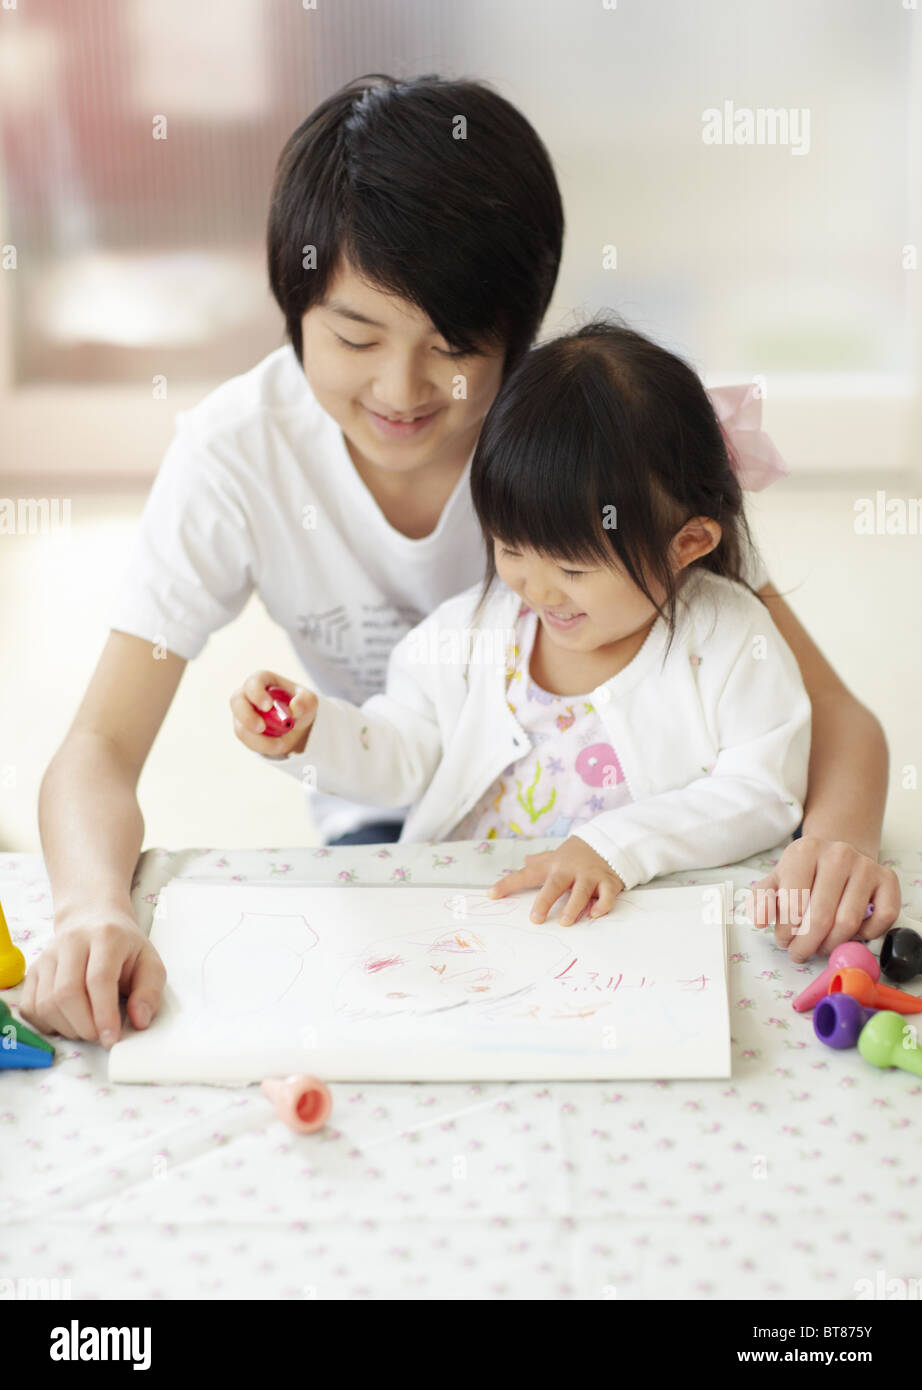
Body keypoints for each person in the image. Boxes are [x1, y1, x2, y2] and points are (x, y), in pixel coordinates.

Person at [23, 76, 898, 1051]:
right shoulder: (235, 455)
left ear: (514, 336)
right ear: (292, 306)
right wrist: (93, 911)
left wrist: (835, 843)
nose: (399, 390)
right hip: (409, 818)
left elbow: (833, 721)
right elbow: (97, 750)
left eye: (450, 349)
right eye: (354, 336)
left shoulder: (586, 433)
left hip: (654, 816)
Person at [233, 317, 814, 930]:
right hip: (470, 924)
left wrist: (616, 846)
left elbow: (763, 792)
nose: (535, 590)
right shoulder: (469, 635)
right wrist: (314, 736)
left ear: (686, 543)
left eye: (571, 566)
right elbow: (403, 756)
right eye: (510, 548)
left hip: (637, 937)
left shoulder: (728, 639)